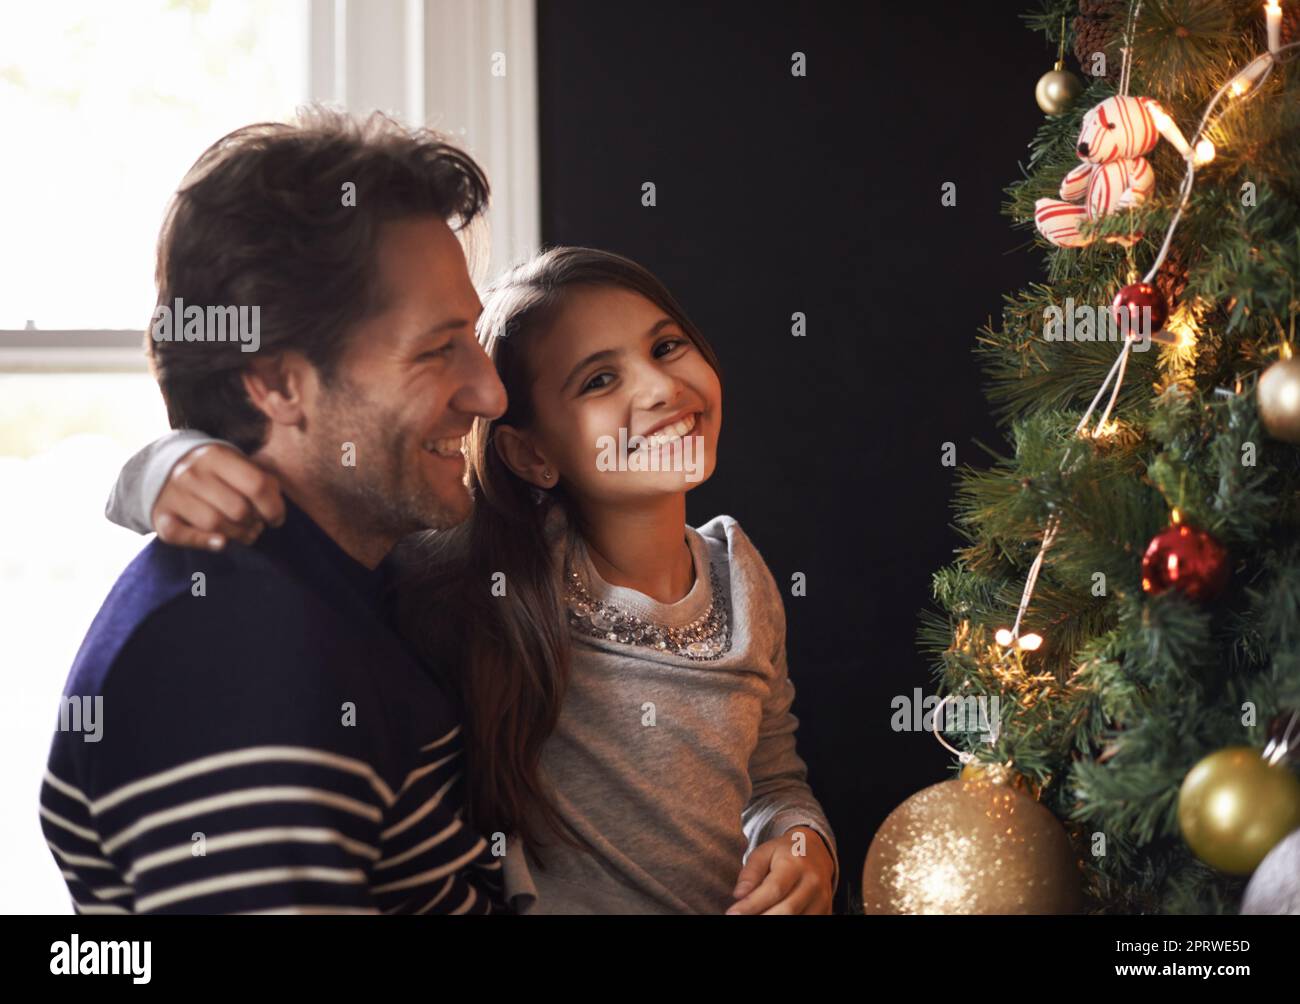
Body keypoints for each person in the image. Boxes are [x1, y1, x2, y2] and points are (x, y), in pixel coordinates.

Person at [104, 246, 840, 915]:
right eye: (599, 379)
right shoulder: (496, 570)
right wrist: (167, 466)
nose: (658, 387)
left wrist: (803, 841)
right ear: (530, 456)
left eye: (667, 345)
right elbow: (294, 531)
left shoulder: (739, 569)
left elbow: (774, 774)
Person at [40, 107, 511, 914]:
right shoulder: (232, 651)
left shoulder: (355, 579)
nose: (489, 392)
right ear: (277, 385)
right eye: (437, 349)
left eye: (473, 336)